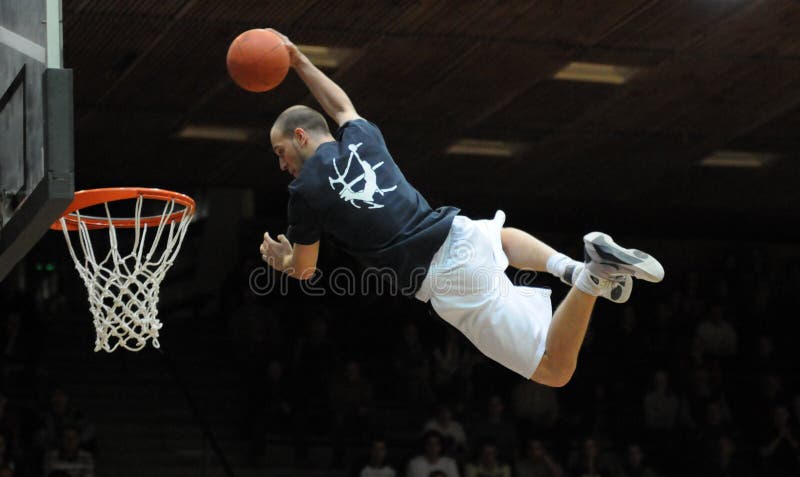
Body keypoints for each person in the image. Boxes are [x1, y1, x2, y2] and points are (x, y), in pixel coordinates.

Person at [259, 30, 664, 387]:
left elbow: (307, 269)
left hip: (446, 281)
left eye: (281, 152)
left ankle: (591, 276)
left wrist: (284, 260)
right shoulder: (363, 136)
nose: (281, 164)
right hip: (455, 230)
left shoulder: (304, 190)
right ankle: (572, 267)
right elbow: (342, 106)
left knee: (554, 370)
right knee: (500, 239)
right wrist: (299, 60)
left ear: (300, 137)